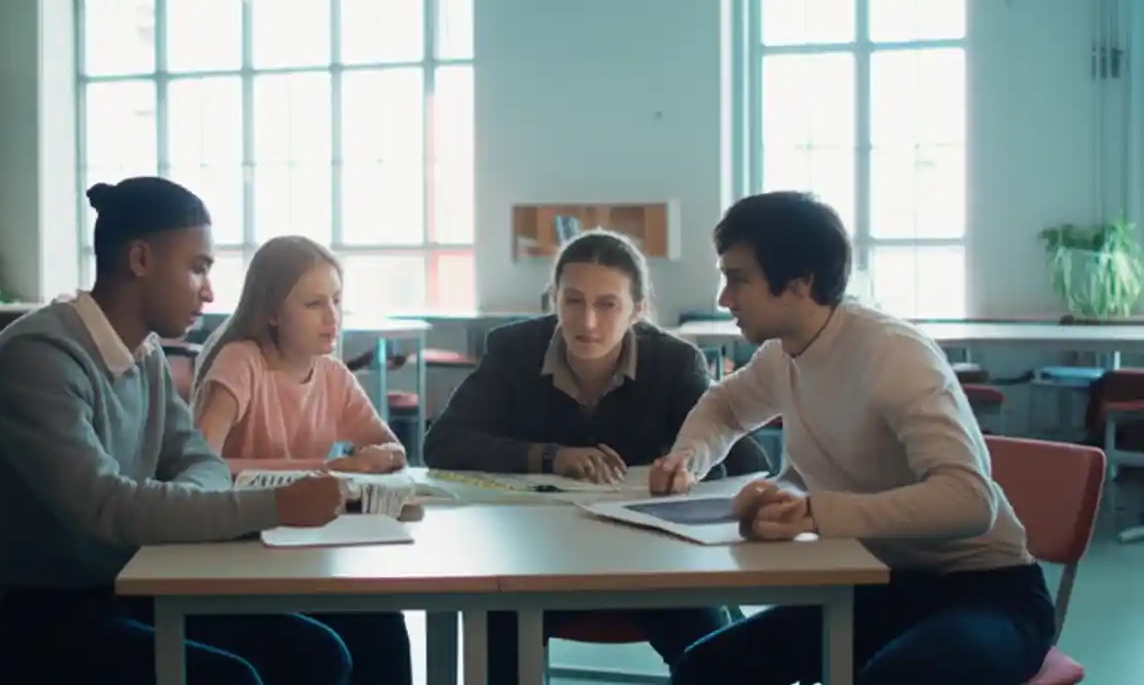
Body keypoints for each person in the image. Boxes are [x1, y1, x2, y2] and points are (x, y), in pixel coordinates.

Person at [0, 177, 355, 685]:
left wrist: (166, 508)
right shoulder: (38, 360)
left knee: (321, 652)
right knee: (228, 680)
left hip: (123, 585)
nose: (208, 290)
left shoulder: (144, 354)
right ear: (139, 260)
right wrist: (274, 506)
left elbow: (200, 460)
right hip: (25, 617)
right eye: (197, 268)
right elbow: (106, 508)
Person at [654, 191, 1055, 685]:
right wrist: (688, 459)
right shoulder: (782, 355)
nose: (723, 299)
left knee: (898, 677)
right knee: (705, 669)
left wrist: (816, 513)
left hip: (986, 590)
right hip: (875, 586)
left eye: (738, 279)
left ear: (800, 283)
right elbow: (727, 406)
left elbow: (970, 501)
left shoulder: (893, 355)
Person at [424, 230, 770, 683]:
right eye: (572, 301)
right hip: (534, 559)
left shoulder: (673, 363)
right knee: (495, 643)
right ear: (554, 300)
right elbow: (443, 443)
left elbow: (745, 461)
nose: (587, 321)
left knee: (723, 658)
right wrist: (550, 456)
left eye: (607, 304)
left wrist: (687, 467)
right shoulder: (514, 351)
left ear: (638, 309)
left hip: (651, 564)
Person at [191, 234, 413, 685]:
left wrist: (375, 457)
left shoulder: (331, 374)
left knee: (384, 622)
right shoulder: (241, 362)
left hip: (302, 543)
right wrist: (323, 471)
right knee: (330, 645)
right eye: (314, 304)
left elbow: (394, 450)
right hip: (237, 544)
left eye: (336, 300)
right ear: (271, 311)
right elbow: (199, 464)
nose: (332, 318)